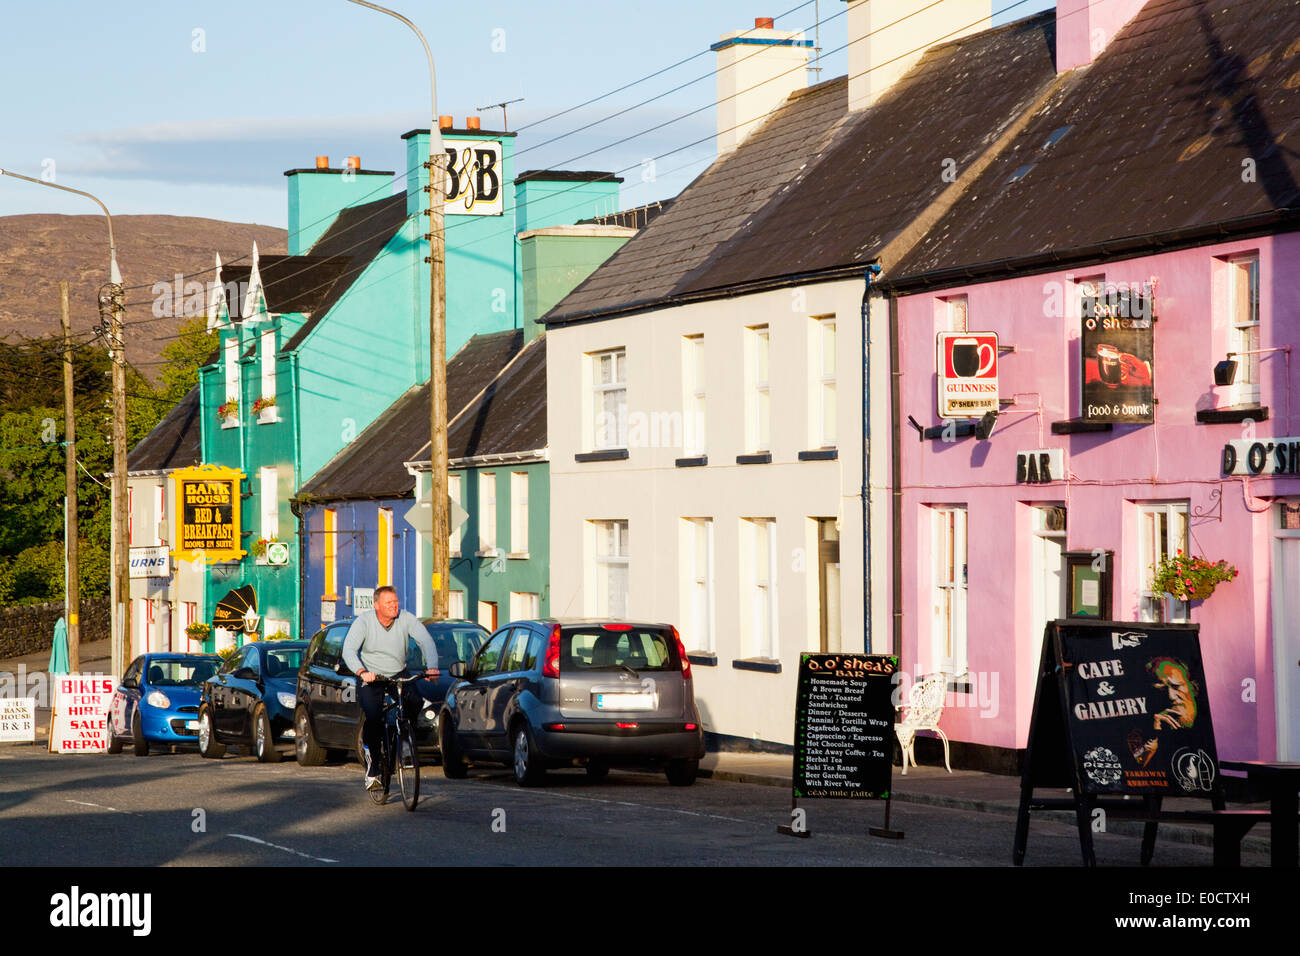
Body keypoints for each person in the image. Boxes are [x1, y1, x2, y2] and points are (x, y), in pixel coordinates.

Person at [342, 586, 439, 791]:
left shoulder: (406, 619)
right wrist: (361, 671)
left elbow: (426, 640)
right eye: (389, 603)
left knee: (415, 701)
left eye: (396, 601)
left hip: (398, 672)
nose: (394, 606)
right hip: (371, 675)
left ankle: (403, 739)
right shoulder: (364, 622)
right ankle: (373, 766)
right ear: (376, 605)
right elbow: (349, 650)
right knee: (374, 716)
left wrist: (432, 667)